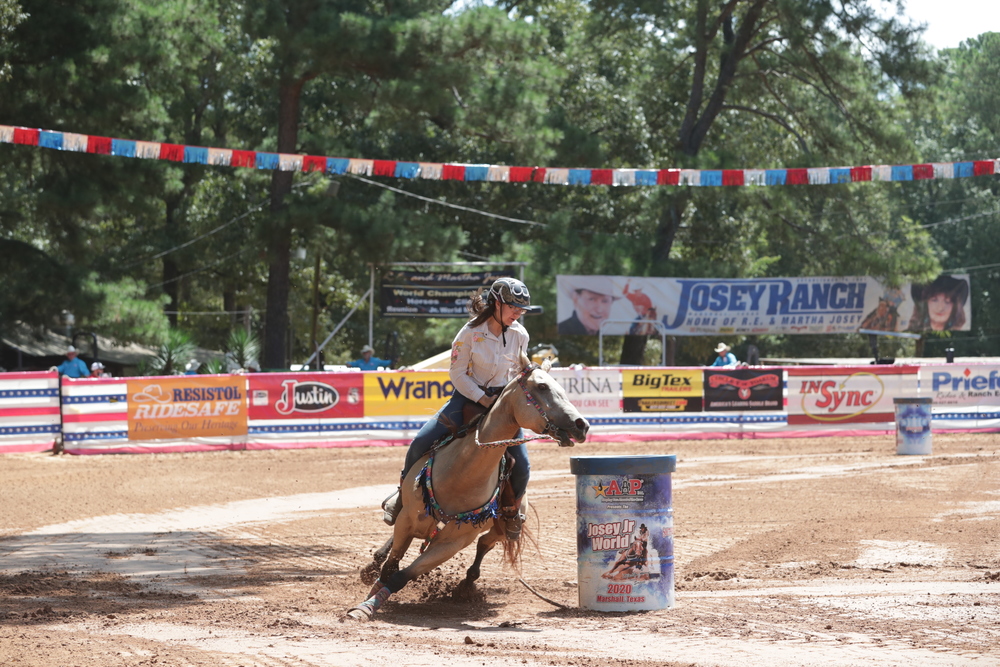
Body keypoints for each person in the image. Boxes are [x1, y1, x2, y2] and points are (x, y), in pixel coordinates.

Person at [381, 277, 540, 540]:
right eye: (513, 307)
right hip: (467, 398)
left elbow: (517, 372)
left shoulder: (520, 335)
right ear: (496, 303)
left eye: (521, 310)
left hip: (502, 406)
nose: (517, 313)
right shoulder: (469, 333)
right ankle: (400, 496)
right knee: (420, 442)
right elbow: (457, 374)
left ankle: (511, 512)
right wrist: (482, 398)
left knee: (522, 465)